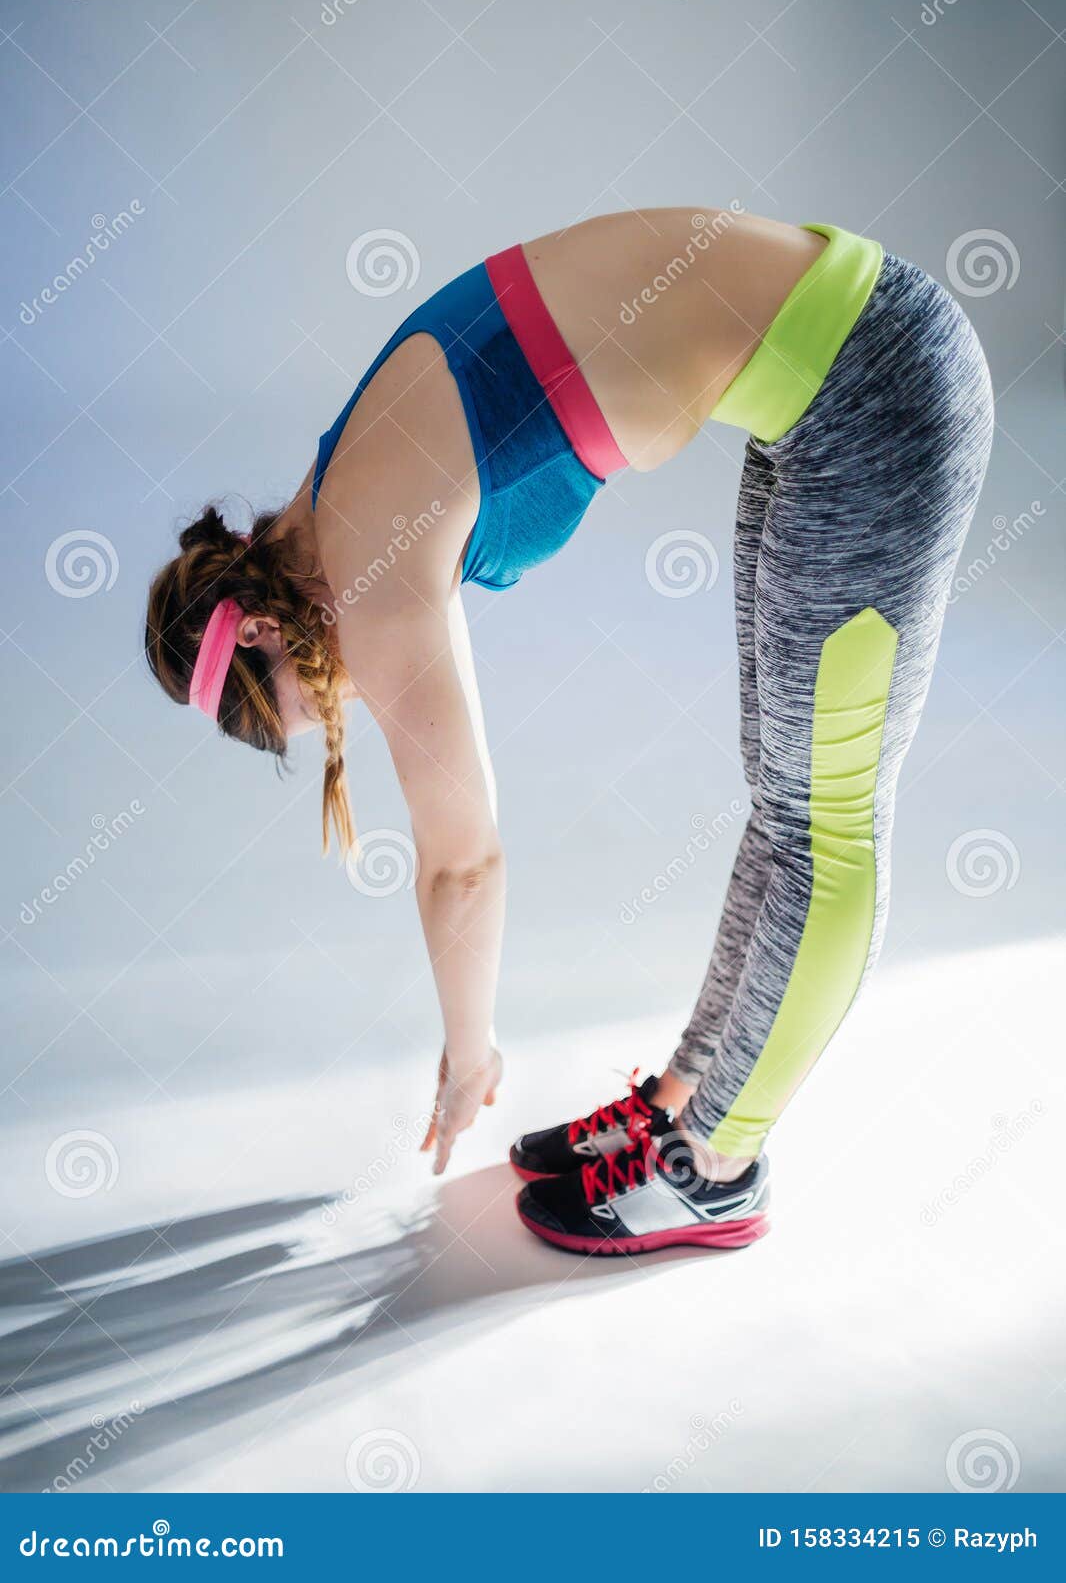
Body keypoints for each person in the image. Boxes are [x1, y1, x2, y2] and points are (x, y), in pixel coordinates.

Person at [145, 208, 993, 1254]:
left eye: (315, 699)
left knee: (827, 823)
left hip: (878, 389)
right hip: (832, 387)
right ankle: (683, 1099)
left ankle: (718, 1166)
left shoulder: (367, 563)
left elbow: (463, 862)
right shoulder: (341, 495)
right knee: (785, 800)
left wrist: (469, 1055)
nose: (345, 701)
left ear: (264, 628)